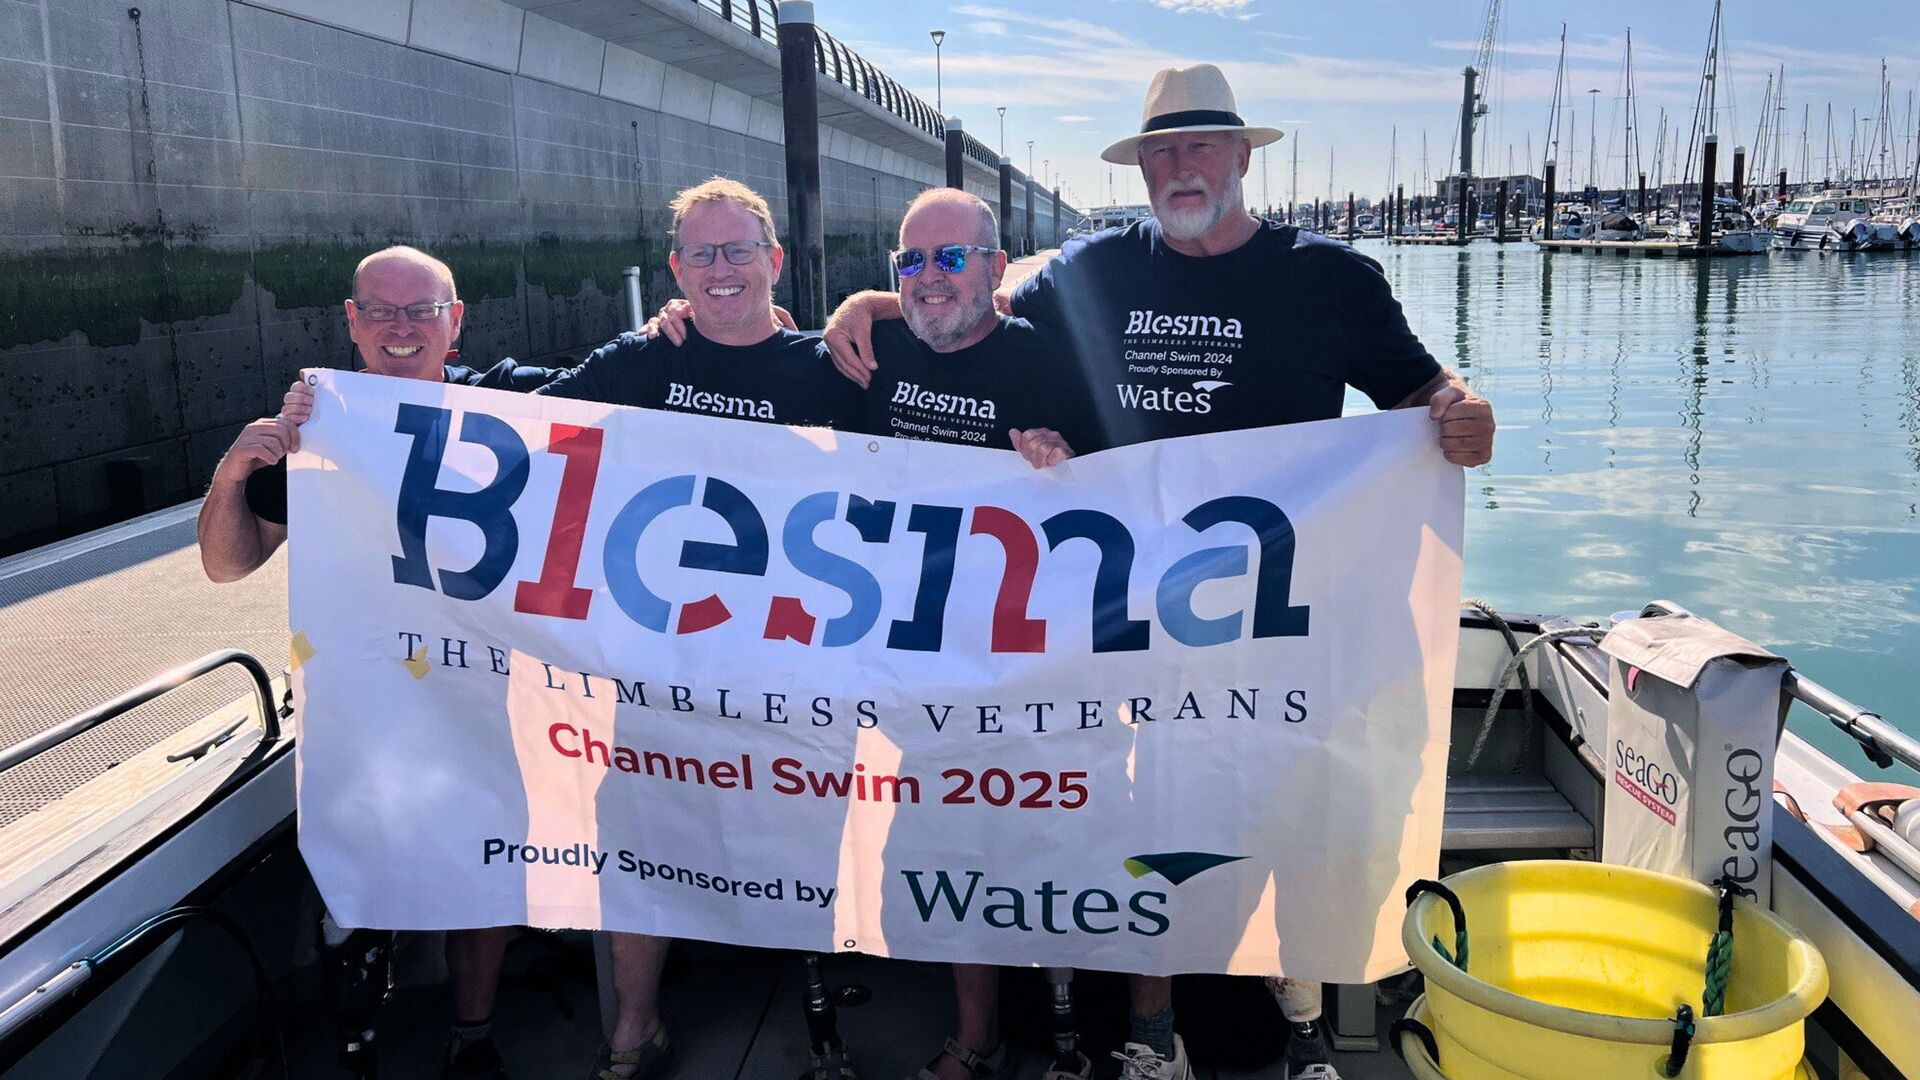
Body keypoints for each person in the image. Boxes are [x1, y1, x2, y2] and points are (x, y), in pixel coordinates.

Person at [820, 64, 1496, 1080]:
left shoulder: (1332, 278)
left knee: (1300, 808)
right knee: (1154, 819)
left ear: (1240, 157)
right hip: (1136, 611)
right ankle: (1150, 1033)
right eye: (1159, 152)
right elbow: (971, 302)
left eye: (1199, 147)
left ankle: (1305, 1025)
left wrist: (1464, 411)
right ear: (1140, 170)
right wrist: (877, 298)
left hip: (1277, 609)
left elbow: (1423, 388)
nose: (1179, 167)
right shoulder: (1091, 271)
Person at [198, 244, 566, 1080]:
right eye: (383, 311)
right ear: (353, 322)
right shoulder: (320, 430)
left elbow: (630, 405)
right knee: (355, 869)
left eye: (422, 311)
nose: (403, 328)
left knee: (484, 859)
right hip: (360, 703)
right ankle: (358, 1042)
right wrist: (234, 471)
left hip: (478, 694)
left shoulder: (513, 406)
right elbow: (227, 564)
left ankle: (470, 1034)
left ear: (455, 322)